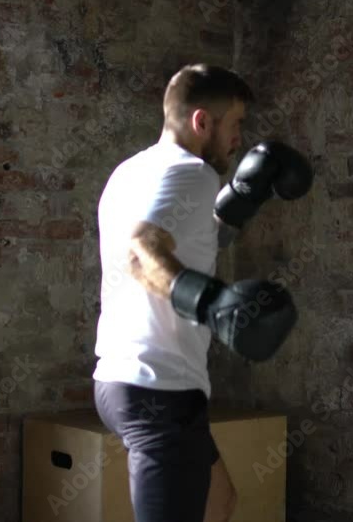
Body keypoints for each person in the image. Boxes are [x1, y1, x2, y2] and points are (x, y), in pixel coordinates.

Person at [92, 64, 310, 522]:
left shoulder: (129, 172)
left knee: (219, 501)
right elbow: (141, 253)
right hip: (159, 387)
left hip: (121, 381)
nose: (239, 137)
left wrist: (241, 202)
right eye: (235, 124)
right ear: (201, 122)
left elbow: (188, 241)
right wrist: (212, 305)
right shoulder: (192, 173)